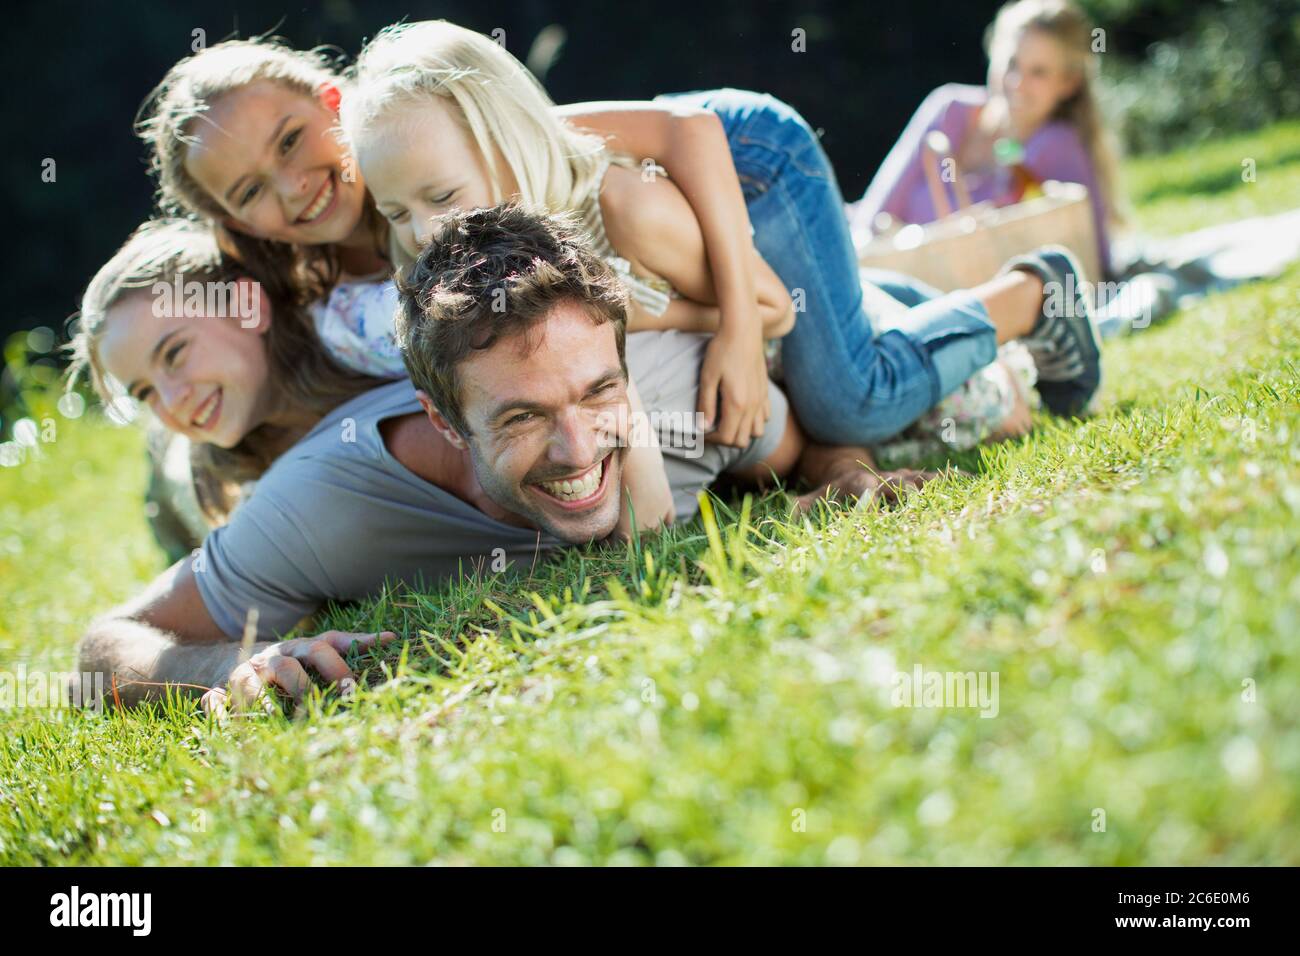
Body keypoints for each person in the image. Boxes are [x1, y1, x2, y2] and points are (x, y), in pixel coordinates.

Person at [71, 205, 926, 712]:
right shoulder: (322, 497)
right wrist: (228, 664)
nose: (578, 448)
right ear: (443, 420)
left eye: (597, 394)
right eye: (521, 417)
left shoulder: (679, 390)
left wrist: (846, 478)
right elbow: (102, 648)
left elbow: (810, 441)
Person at [850, 0, 1124, 278]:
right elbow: (876, 210)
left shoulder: (1055, 145)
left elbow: (1091, 256)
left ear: (1068, 83)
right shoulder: (949, 110)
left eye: (1038, 72)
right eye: (1011, 63)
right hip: (890, 271)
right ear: (993, 53)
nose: (1017, 82)